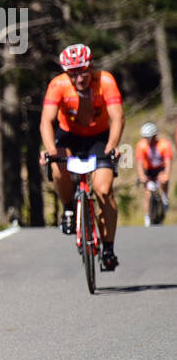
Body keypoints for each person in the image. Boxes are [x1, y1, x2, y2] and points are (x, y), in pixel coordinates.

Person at [38, 43, 124, 269]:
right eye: (72, 74)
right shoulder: (57, 85)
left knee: (103, 190)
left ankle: (108, 248)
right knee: (58, 167)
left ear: (91, 67)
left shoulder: (105, 81)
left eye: (82, 72)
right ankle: (68, 207)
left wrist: (113, 145)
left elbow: (118, 117)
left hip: (99, 138)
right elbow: (46, 121)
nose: (78, 78)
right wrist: (50, 149)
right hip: (69, 137)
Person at [136, 122, 172, 225]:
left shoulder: (164, 144)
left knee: (164, 180)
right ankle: (147, 216)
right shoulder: (141, 145)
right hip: (149, 170)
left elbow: (168, 162)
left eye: (149, 137)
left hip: (160, 168)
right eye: (145, 137)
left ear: (155, 136)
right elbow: (139, 163)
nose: (147, 140)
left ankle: (165, 197)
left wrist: (166, 174)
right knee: (147, 194)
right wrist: (142, 176)